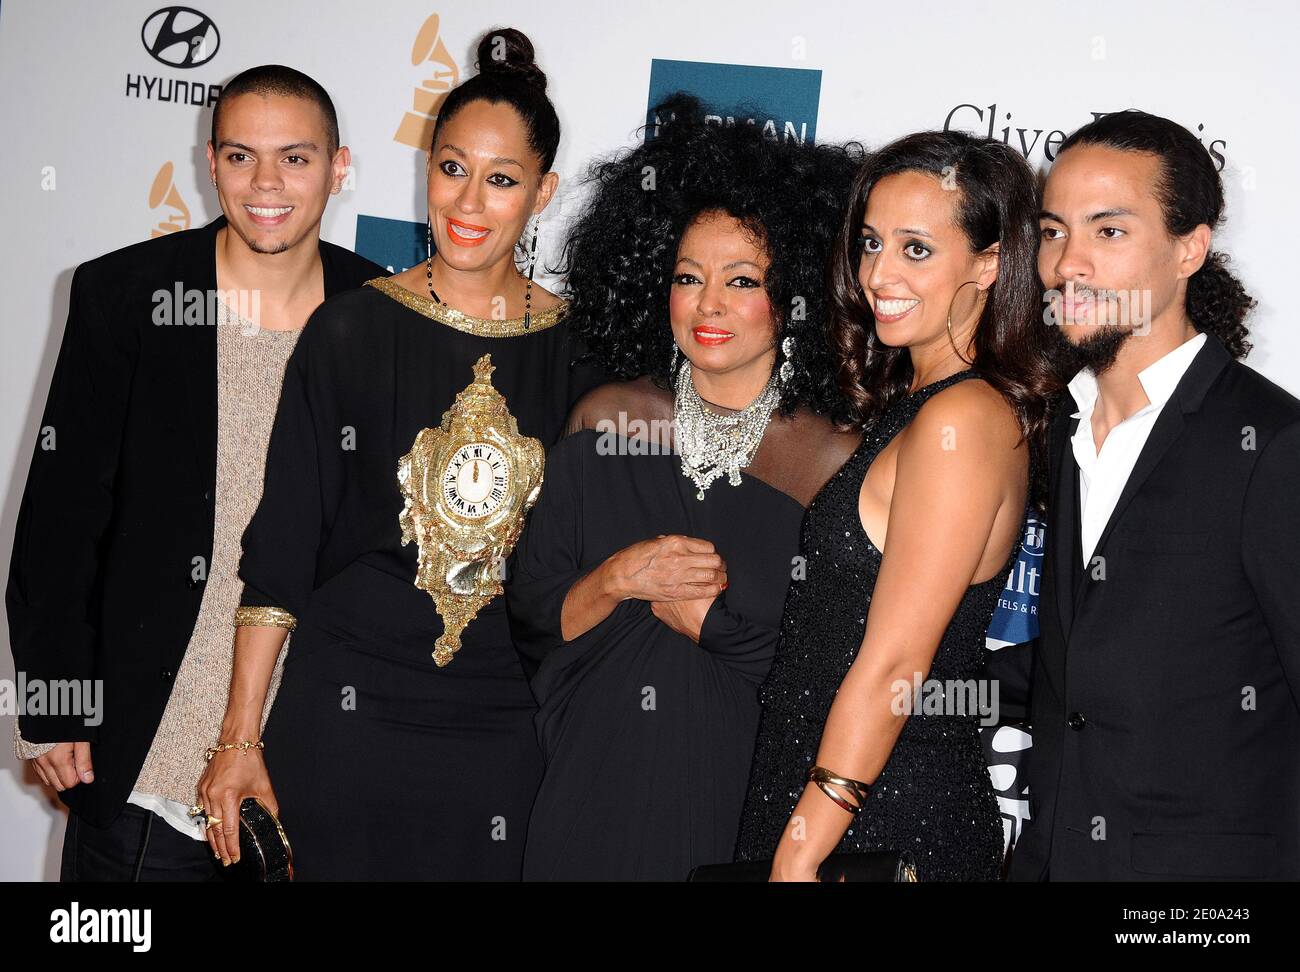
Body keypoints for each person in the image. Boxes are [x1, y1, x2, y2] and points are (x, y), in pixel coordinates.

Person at [198, 28, 605, 880]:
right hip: (347, 714)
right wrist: (240, 738)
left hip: (507, 730)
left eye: (501, 181)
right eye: (452, 168)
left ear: (544, 192)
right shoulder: (351, 327)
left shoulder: (582, 358)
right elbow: (279, 552)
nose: (468, 201)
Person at [8, 65, 382, 880]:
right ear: (210, 163)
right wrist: (53, 703)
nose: (267, 184)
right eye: (242, 157)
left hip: (305, 770)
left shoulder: (378, 313)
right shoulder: (127, 296)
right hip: (141, 768)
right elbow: (61, 518)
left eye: (296, 158)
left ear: (339, 168)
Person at [503, 95, 862, 880]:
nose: (709, 305)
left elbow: (846, 680)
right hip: (586, 796)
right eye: (688, 277)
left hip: (740, 815)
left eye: (742, 280)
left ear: (796, 293)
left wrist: (714, 627)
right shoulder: (606, 420)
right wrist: (614, 579)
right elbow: (534, 620)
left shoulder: (830, 462)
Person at [735, 131, 1062, 881]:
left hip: (881, 817)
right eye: (872, 242)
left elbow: (896, 665)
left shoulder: (962, 420)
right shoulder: (916, 404)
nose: (878, 272)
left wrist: (800, 850)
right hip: (829, 796)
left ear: (990, 261)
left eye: (916, 249)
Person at [1011, 110, 1300, 881]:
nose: (1068, 263)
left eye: (1109, 232)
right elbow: (1088, 667)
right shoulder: (1058, 427)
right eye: (1052, 231)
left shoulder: (1271, 444)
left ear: (1189, 248)